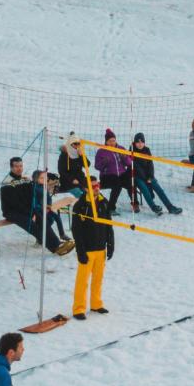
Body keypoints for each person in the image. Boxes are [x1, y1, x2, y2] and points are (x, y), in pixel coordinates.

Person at [70, 174, 114, 319]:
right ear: (85, 188)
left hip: (101, 248)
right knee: (82, 281)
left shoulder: (103, 202)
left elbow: (109, 225)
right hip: (87, 250)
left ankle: (96, 304)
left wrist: (110, 243)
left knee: (98, 279)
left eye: (98, 185)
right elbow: (76, 230)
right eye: (93, 186)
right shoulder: (80, 206)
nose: (96, 188)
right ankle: (78, 309)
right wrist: (80, 251)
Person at [129, 134, 183, 216]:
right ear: (135, 143)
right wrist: (145, 179)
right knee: (144, 189)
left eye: (142, 142)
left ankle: (170, 207)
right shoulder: (132, 151)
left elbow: (150, 164)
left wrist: (150, 177)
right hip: (137, 176)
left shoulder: (147, 150)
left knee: (159, 189)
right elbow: (136, 167)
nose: (140, 144)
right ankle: (154, 207)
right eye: (138, 142)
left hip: (148, 175)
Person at [31, 169, 72, 253]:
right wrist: (41, 208)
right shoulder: (34, 188)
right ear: (36, 179)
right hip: (38, 211)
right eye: (42, 178)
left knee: (55, 218)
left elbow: (48, 198)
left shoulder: (44, 187)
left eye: (45, 178)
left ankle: (62, 234)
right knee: (44, 224)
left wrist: (49, 206)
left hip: (46, 209)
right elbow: (34, 202)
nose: (45, 180)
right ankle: (41, 239)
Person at [93, 129, 132, 211]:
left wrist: (124, 157)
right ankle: (111, 208)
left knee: (130, 183)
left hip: (121, 174)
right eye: (110, 141)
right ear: (106, 141)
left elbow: (129, 163)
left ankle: (135, 203)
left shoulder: (121, 148)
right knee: (117, 185)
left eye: (113, 140)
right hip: (107, 176)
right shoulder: (101, 151)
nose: (112, 143)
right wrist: (104, 162)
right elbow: (97, 166)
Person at [0, 157, 34, 228]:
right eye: (16, 166)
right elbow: (15, 203)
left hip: (25, 210)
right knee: (31, 223)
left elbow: (32, 195)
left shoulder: (25, 179)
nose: (19, 169)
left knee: (46, 217)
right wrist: (30, 212)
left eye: (21, 166)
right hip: (11, 212)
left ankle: (44, 238)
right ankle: (44, 238)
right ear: (11, 168)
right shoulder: (7, 182)